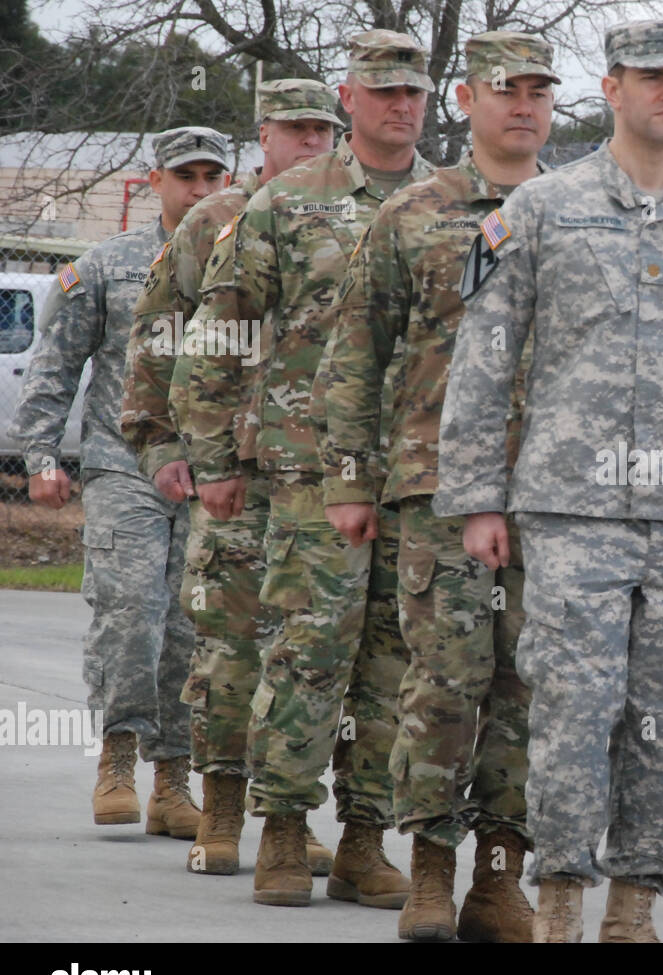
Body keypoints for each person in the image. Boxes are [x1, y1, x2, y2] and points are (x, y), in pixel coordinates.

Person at [435, 19, 663, 942]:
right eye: (650, 76)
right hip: (572, 509)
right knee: (570, 708)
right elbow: (484, 357)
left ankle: (635, 905)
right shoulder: (538, 211)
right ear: (610, 89)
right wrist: (478, 494)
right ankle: (560, 901)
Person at [182, 30, 435, 908]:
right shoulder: (285, 204)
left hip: (417, 478)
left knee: (394, 668)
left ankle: (366, 839)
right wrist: (213, 457)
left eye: (414, 91)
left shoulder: (454, 205)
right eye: (384, 90)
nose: (401, 105)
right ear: (347, 96)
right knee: (305, 657)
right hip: (308, 477)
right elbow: (220, 333)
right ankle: (284, 830)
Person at [316, 31, 558, 943]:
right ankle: (428, 872)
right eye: (506, 88)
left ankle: (499, 880)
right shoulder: (414, 212)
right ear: (466, 99)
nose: (524, 105)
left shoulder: (577, 212)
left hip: (551, 496)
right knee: (445, 688)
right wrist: (350, 478)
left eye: (540, 89)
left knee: (528, 690)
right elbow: (356, 351)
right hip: (437, 490)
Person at [121, 79, 342, 878]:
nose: (312, 144)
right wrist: (160, 444)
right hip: (235, 473)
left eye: (324, 129)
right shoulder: (219, 218)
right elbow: (158, 330)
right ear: (264, 135)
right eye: (296, 129)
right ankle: (219, 810)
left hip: (322, 474)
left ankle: (291, 813)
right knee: (230, 647)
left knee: (312, 655)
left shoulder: (354, 216)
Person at [11, 126, 230, 835]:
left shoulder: (243, 263)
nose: (200, 190)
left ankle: (175, 779)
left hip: (214, 476)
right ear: (156, 180)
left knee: (195, 629)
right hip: (122, 464)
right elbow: (53, 366)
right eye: (186, 176)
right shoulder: (108, 264)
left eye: (212, 177)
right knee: (132, 612)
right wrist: (42, 456)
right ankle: (118, 756)